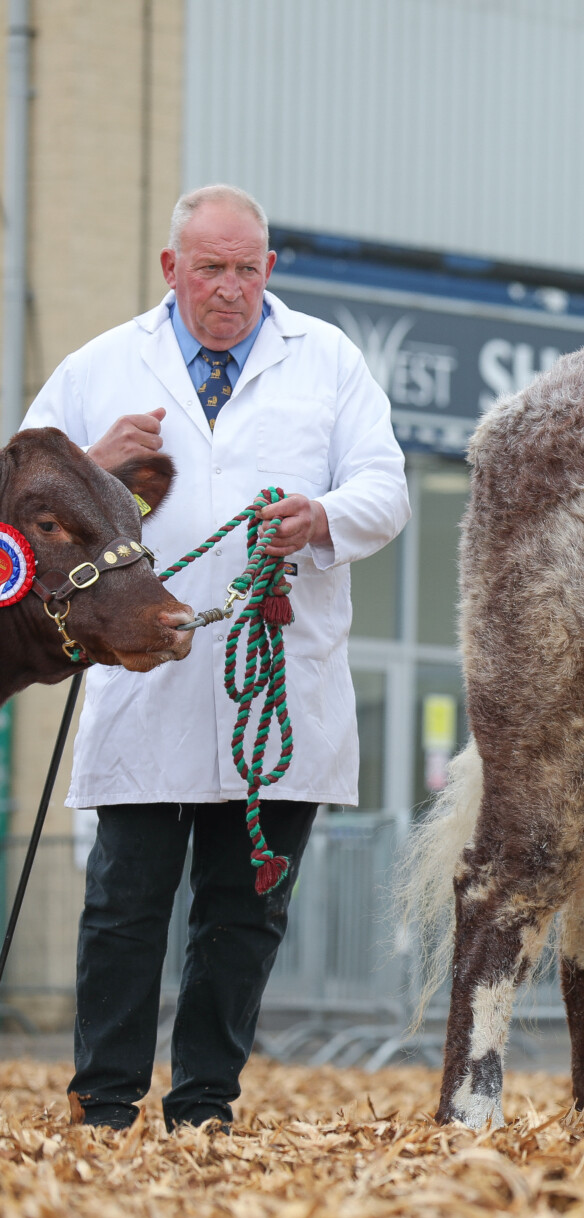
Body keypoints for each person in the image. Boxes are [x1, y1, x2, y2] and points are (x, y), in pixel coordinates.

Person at [30, 184, 409, 1130]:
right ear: (172, 269)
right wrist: (89, 460)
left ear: (269, 269)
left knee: (243, 917)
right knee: (124, 909)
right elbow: (20, 494)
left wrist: (323, 516)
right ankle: (106, 1101)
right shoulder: (101, 365)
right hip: (142, 686)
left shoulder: (327, 361)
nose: (230, 288)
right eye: (210, 268)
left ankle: (205, 1107)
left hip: (270, 683)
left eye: (247, 268)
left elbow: (388, 488)